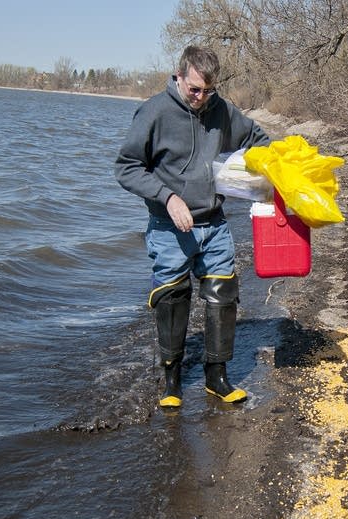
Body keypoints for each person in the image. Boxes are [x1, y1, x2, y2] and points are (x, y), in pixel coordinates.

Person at [115, 46, 270, 407]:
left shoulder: (221, 110)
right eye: (194, 90)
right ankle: (171, 381)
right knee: (172, 297)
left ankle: (217, 377)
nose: (200, 98)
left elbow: (257, 140)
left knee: (223, 295)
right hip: (169, 226)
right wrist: (168, 197)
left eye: (208, 91)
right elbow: (127, 167)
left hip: (214, 223)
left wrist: (252, 176)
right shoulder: (154, 112)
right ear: (179, 75)